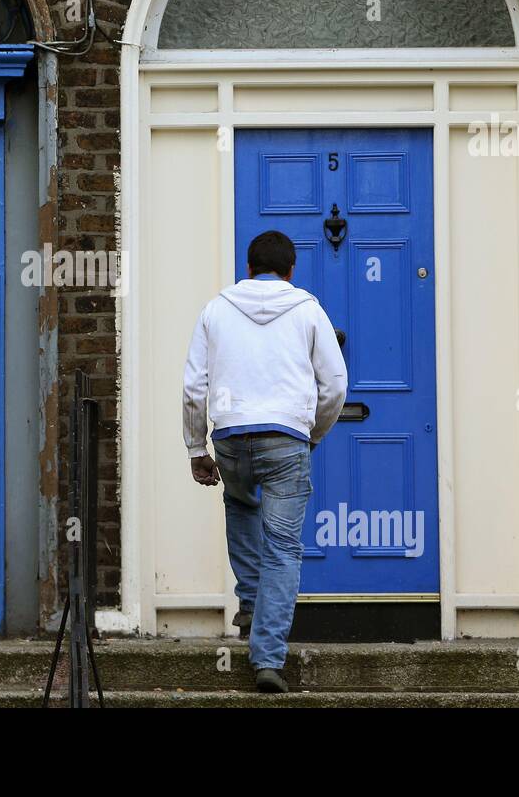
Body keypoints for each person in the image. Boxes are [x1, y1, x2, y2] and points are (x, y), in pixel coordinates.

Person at [182, 230, 347, 693]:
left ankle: (250, 601)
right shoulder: (308, 310)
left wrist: (197, 449)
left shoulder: (216, 309)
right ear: (290, 270)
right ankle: (268, 659)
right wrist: (311, 433)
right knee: (283, 549)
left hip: (232, 434)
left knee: (240, 503)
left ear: (248, 267)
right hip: (285, 437)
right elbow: (334, 386)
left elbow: (195, 387)